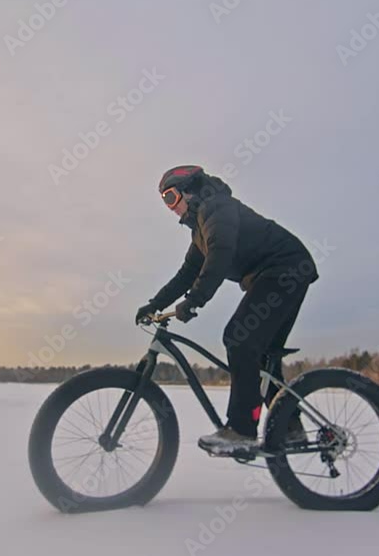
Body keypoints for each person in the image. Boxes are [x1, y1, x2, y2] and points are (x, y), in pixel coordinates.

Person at [135, 165, 319, 456]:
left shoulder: (215, 209)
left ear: (189, 190)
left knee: (239, 337)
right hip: (282, 272)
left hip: (285, 270)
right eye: (164, 203)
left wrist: (195, 299)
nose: (170, 208)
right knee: (260, 357)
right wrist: (155, 303)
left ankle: (242, 431)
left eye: (171, 198)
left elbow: (219, 257)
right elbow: (187, 273)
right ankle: (291, 427)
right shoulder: (200, 231)